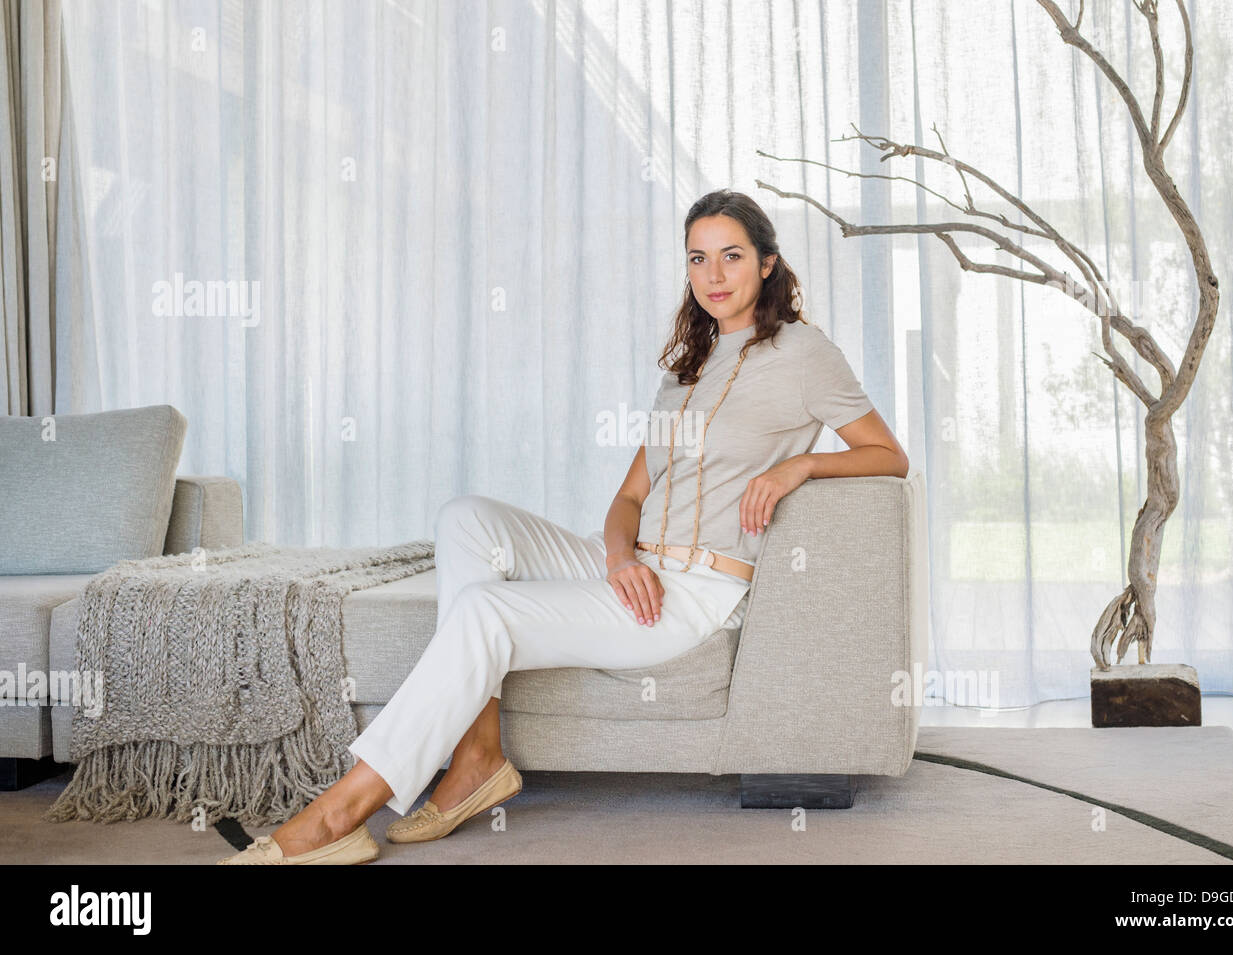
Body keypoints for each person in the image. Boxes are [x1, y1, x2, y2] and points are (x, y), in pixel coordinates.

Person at [217, 189, 908, 864]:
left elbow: (888, 454)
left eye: (731, 256)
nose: (713, 275)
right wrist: (617, 559)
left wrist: (799, 467)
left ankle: (342, 810)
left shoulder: (804, 353)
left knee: (487, 609)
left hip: (694, 591)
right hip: (631, 565)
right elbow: (630, 497)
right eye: (697, 258)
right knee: (466, 519)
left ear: (766, 262)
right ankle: (479, 753)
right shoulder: (687, 369)